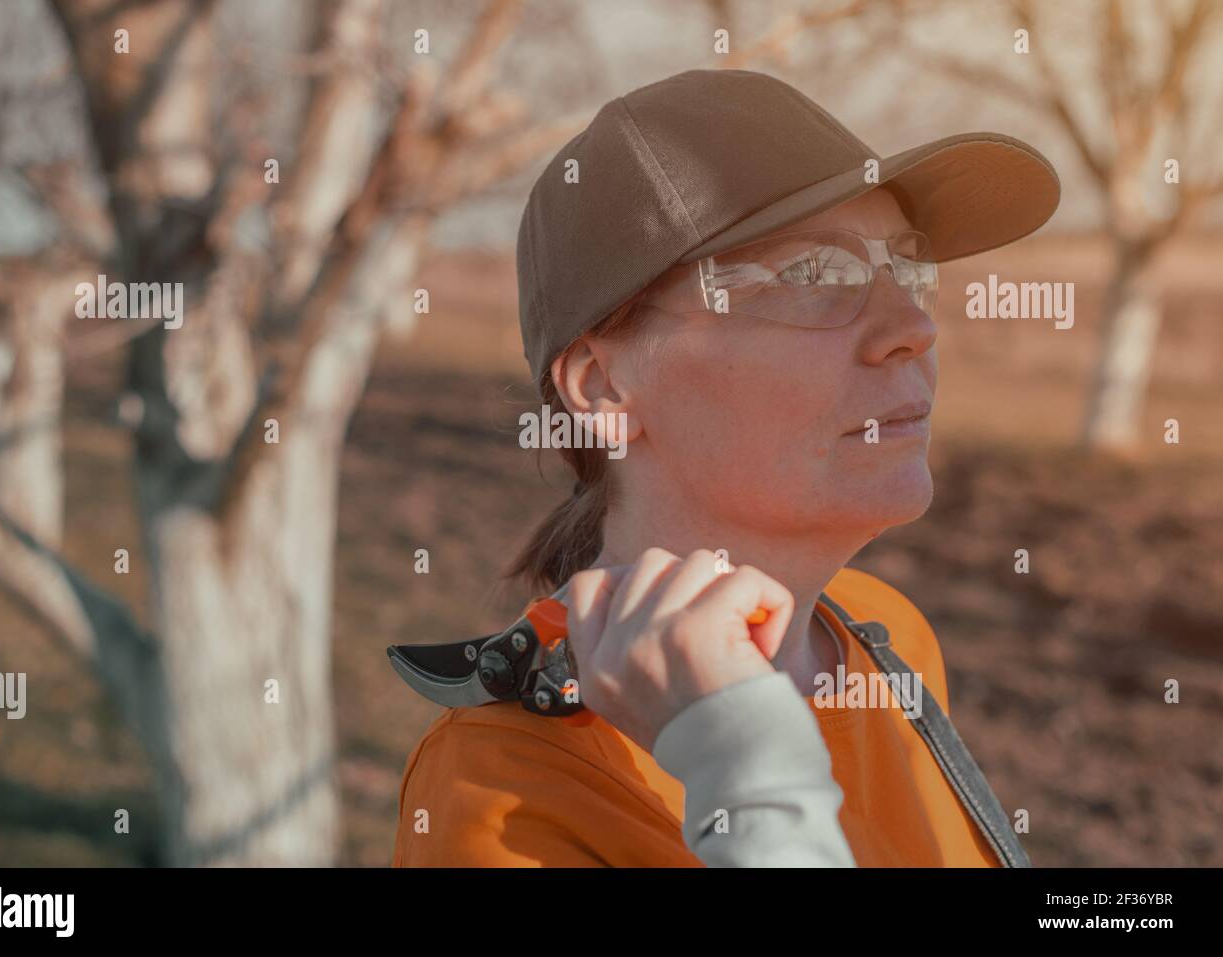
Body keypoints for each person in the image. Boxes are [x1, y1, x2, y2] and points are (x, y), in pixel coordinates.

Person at [393, 68, 1059, 867]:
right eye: (811, 273)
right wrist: (743, 766)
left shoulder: (883, 635)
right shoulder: (504, 788)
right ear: (604, 385)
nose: (912, 325)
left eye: (907, 265)